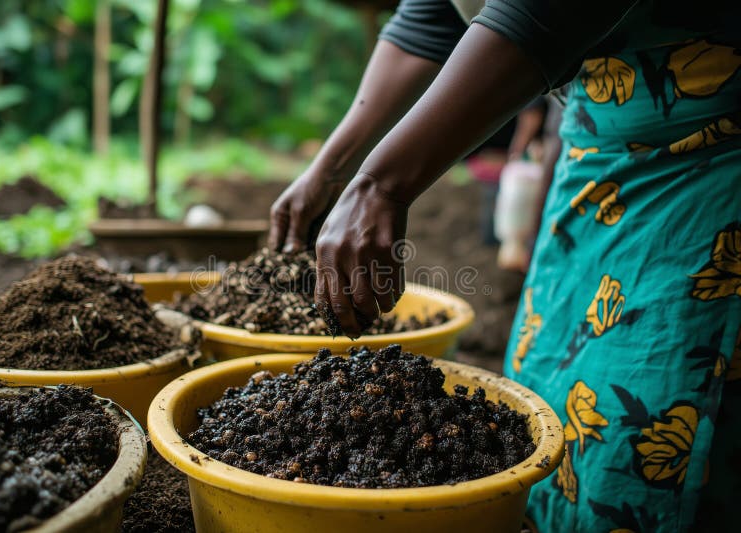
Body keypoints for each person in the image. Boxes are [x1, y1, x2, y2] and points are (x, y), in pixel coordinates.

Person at [268, 0, 741, 530]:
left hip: (710, 155)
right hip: (596, 151)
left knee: (649, 418)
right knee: (552, 409)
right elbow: (433, 17)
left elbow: (542, 13)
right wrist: (332, 170)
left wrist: (381, 183)